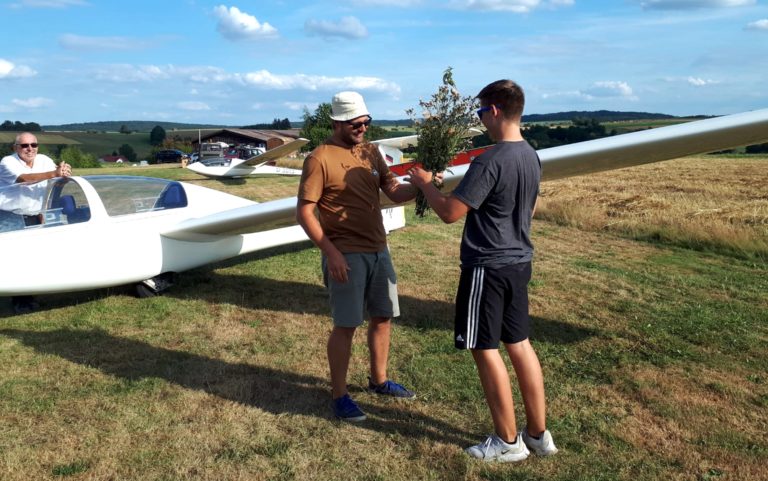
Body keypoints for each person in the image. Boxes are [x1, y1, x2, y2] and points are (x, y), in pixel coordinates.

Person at [407, 80, 557, 462]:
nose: (479, 121)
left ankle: (507, 442)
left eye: (479, 113)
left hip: (486, 268)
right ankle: (538, 435)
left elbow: (448, 212)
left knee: (483, 346)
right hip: (519, 263)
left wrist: (425, 184)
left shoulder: (489, 161)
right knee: (520, 344)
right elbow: (529, 209)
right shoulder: (531, 156)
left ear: (494, 111)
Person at [296, 91, 419, 422]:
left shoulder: (370, 151)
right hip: (346, 254)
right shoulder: (319, 158)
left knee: (383, 316)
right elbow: (305, 212)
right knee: (346, 324)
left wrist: (422, 186)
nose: (363, 128)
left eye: (367, 122)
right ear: (337, 122)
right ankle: (339, 396)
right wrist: (331, 253)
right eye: (356, 123)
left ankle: (379, 381)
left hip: (380, 249)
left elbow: (393, 190)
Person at [0, 132, 72, 313]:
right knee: (15, 258)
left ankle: (31, 294)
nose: (30, 148)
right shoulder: (7, 162)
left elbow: (55, 179)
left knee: (33, 256)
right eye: (24, 145)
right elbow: (24, 179)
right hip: (10, 215)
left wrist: (63, 171)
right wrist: (55, 172)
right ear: (15, 148)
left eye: (34, 144)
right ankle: (21, 300)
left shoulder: (45, 160)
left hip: (34, 214)